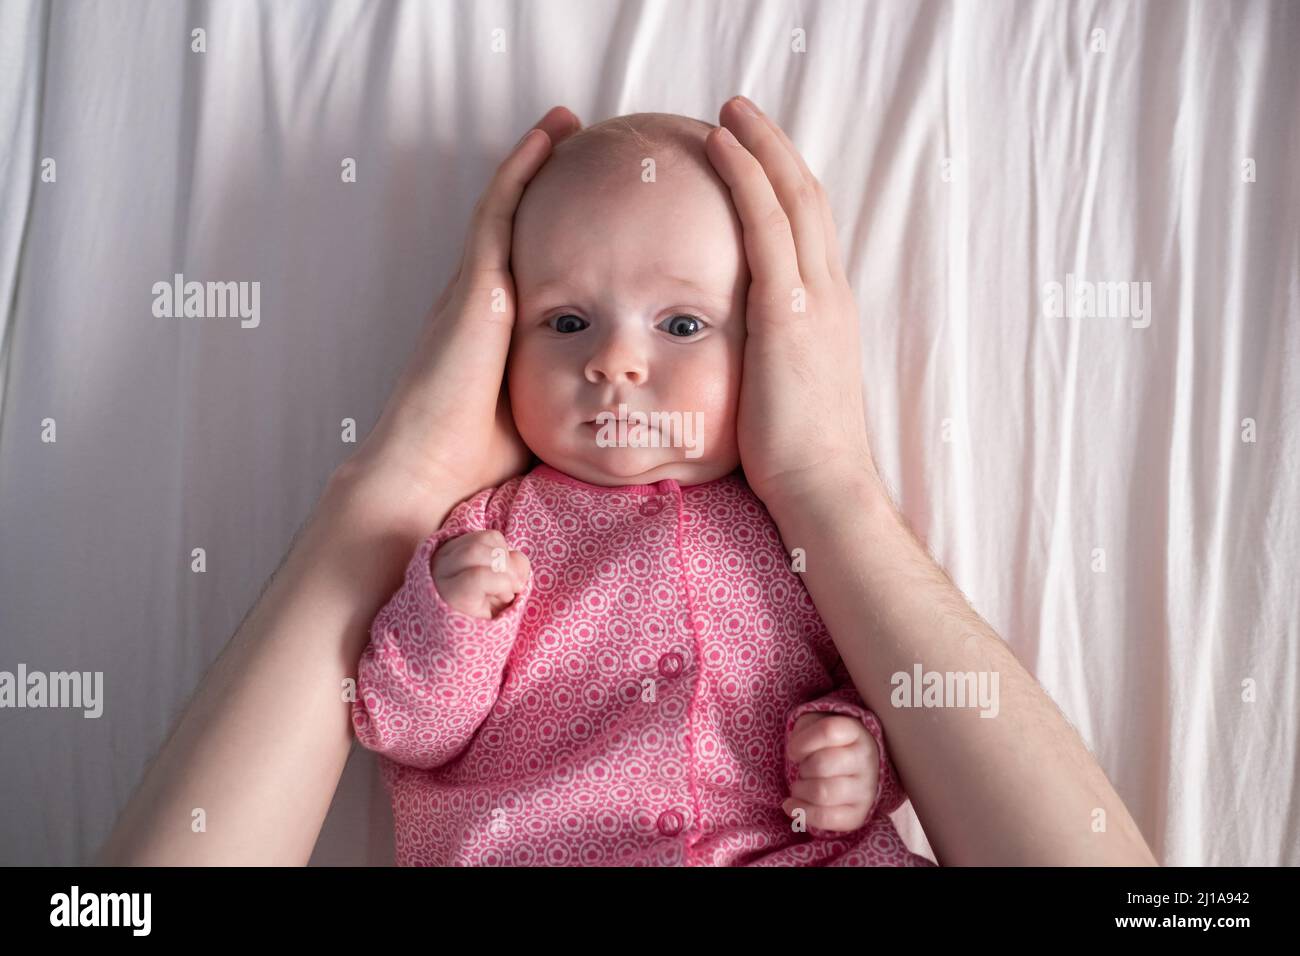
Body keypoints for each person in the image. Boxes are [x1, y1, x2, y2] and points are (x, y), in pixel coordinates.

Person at [96, 98, 1158, 867]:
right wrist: (449, 614)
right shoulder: (485, 527)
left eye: (682, 323)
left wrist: (855, 758)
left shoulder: (791, 541)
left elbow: (884, 703)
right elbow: (405, 724)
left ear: (772, 352)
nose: (613, 361)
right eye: (566, 322)